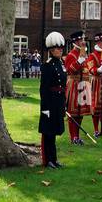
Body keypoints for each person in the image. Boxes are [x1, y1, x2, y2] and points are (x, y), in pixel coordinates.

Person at [39, 31, 67, 168]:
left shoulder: (61, 65)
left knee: (55, 131)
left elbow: (63, 86)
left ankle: (54, 159)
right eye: (57, 48)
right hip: (49, 103)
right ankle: (47, 159)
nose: (60, 50)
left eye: (61, 48)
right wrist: (45, 108)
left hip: (58, 102)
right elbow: (44, 90)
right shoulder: (47, 66)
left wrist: (63, 105)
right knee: (48, 132)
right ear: (51, 50)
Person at [63, 31, 94, 145]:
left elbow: (88, 67)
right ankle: (73, 137)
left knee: (80, 113)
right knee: (73, 113)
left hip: (84, 84)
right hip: (75, 85)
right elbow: (70, 70)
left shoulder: (84, 54)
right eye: (81, 40)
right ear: (76, 42)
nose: (83, 42)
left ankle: (77, 136)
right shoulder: (71, 55)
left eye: (83, 40)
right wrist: (78, 62)